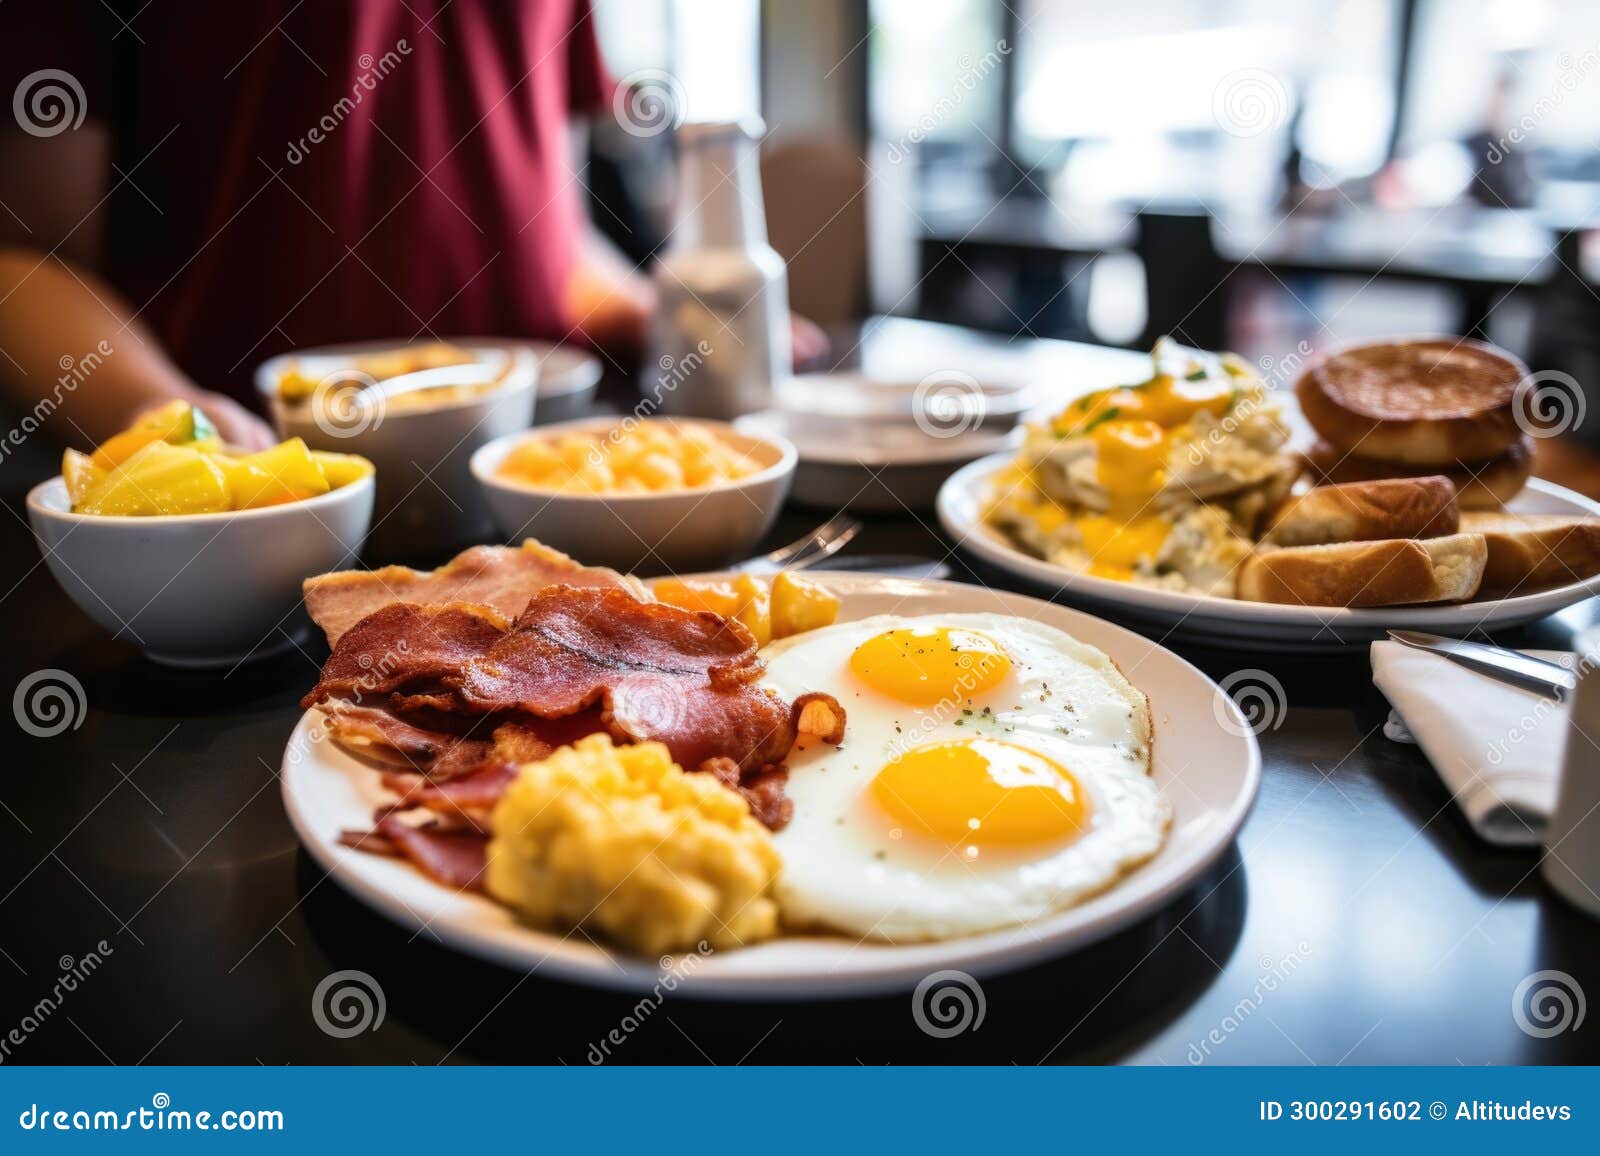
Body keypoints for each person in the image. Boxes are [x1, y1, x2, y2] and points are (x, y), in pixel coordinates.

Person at [0, 1, 821, 450]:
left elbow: (554, 233)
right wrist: (160, 410)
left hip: (539, 472)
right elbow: (25, 255)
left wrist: (651, 315)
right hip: (258, 499)